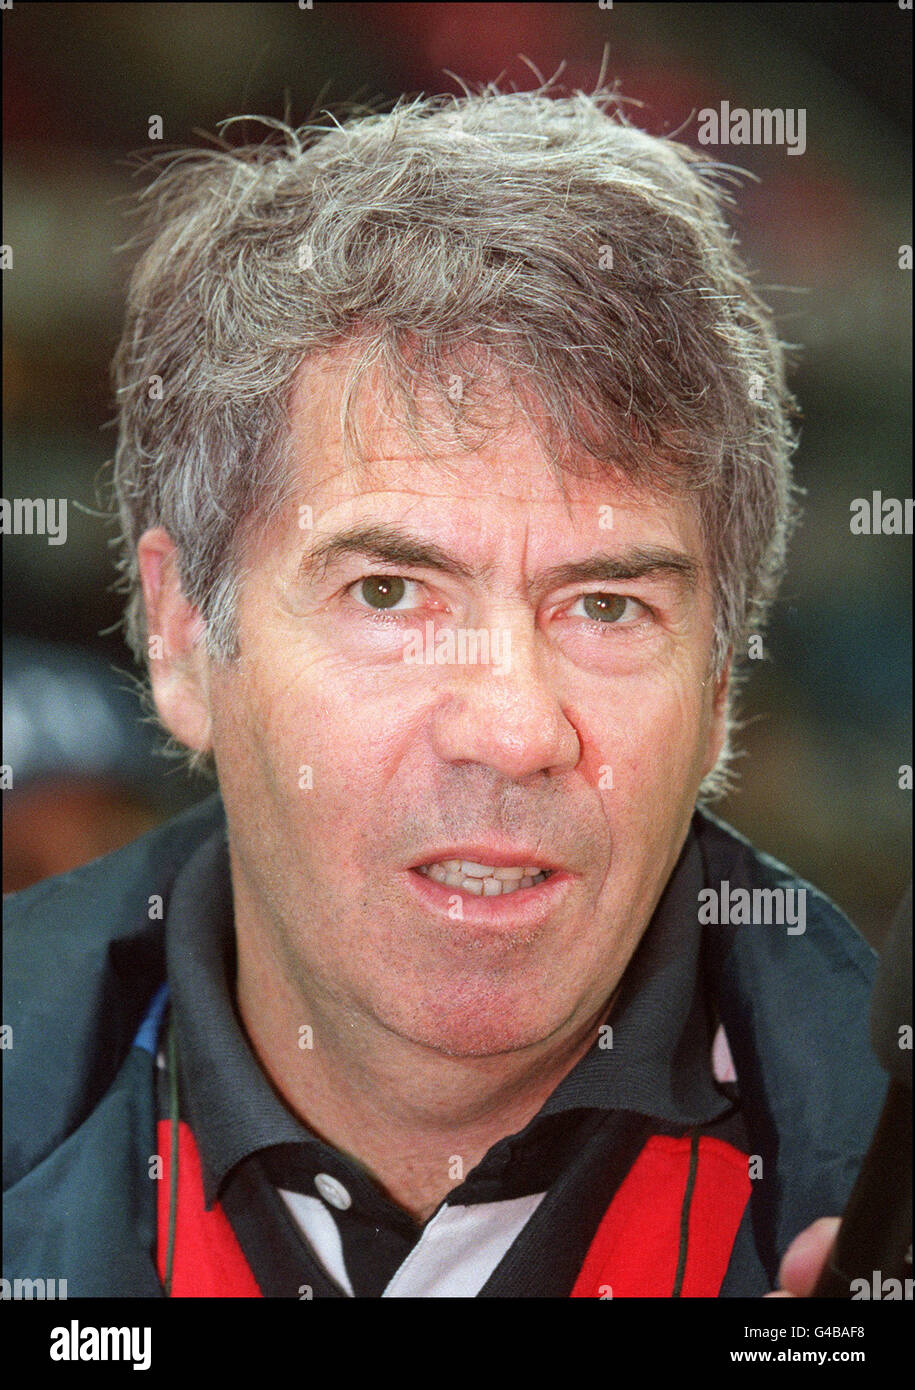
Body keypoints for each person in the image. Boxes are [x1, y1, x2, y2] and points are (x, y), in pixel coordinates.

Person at [3, 87, 885, 1298]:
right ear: (181, 633)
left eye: (607, 606)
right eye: (390, 593)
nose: (515, 728)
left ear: (721, 683)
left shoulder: (873, 1169)